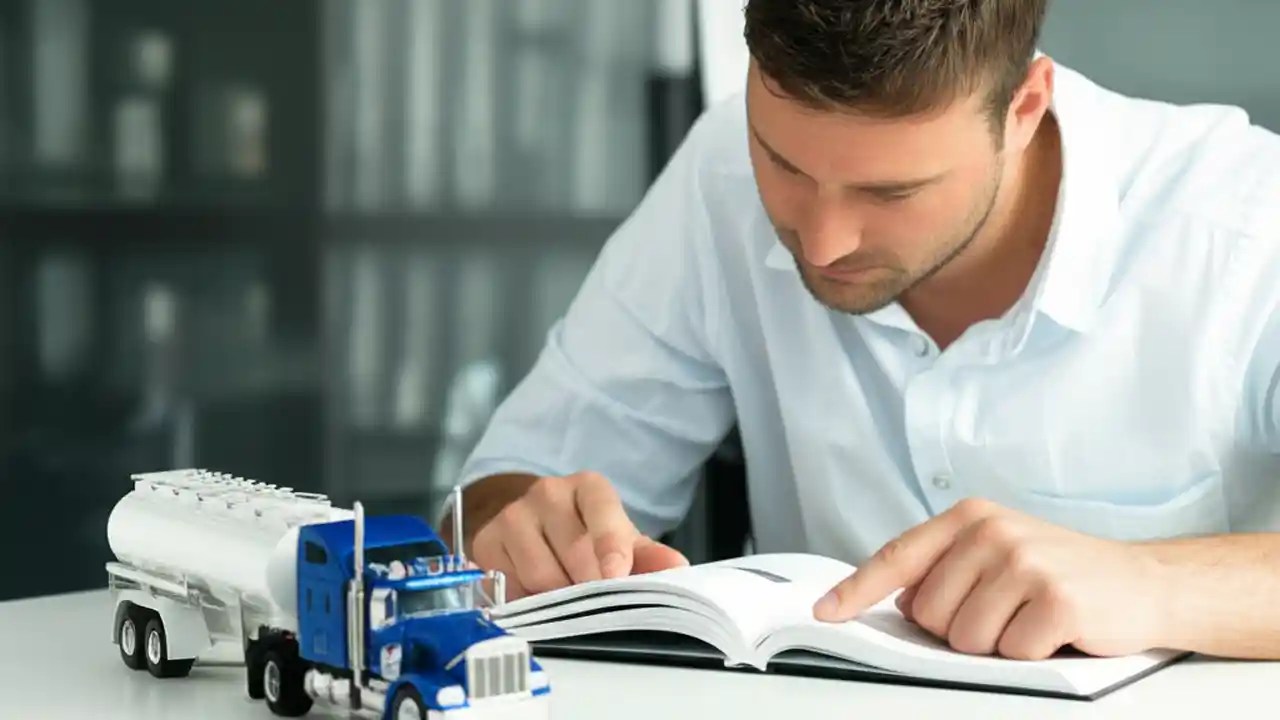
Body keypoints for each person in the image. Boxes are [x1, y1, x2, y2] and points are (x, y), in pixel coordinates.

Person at [440, 0, 1280, 662]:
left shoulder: (1246, 224)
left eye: (891, 193)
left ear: (1023, 109)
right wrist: (514, 529)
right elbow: (496, 497)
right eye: (787, 164)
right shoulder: (719, 175)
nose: (822, 241)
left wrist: (1149, 583)